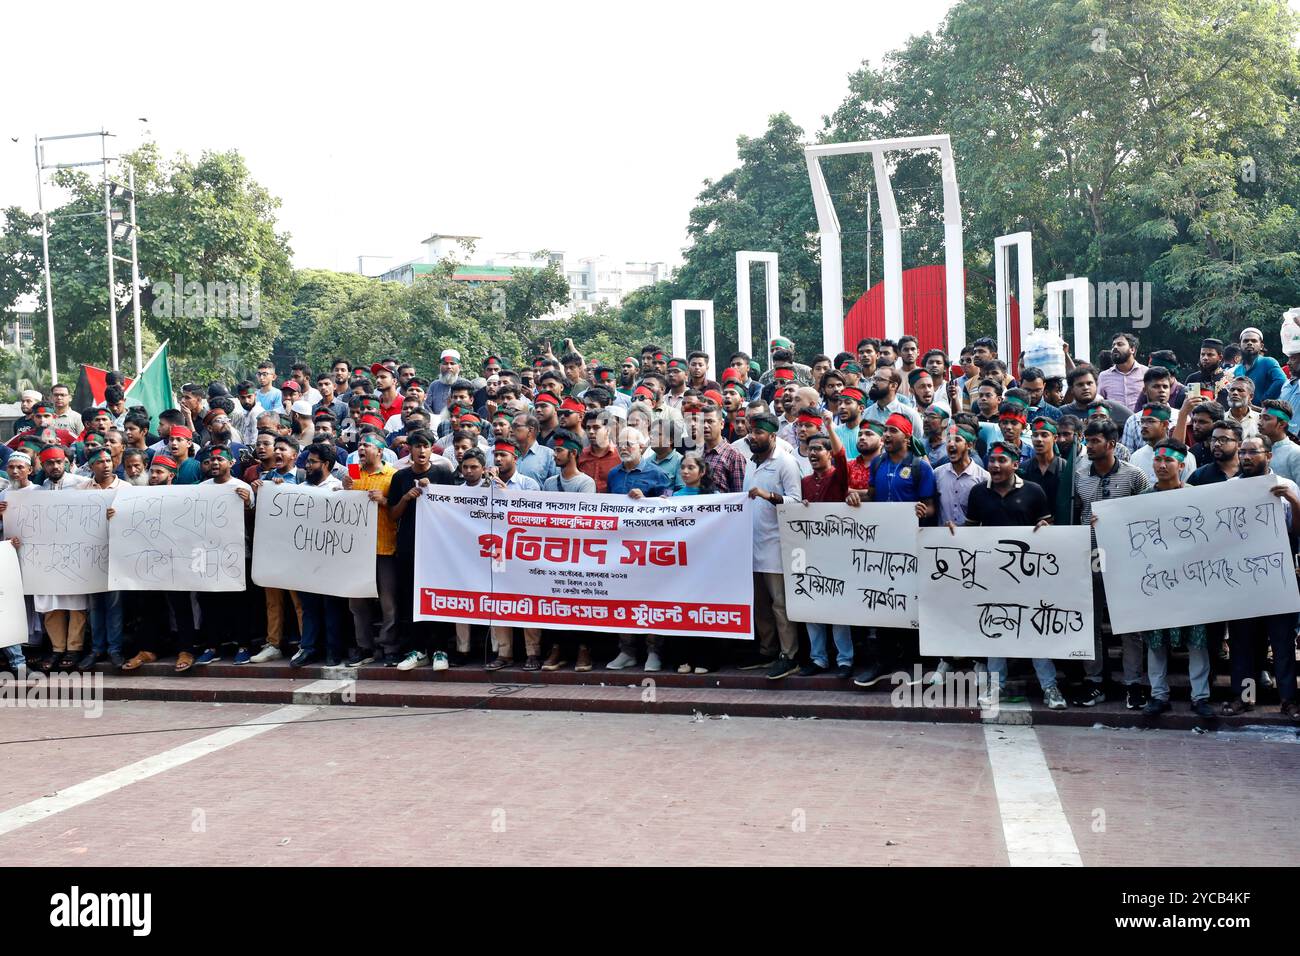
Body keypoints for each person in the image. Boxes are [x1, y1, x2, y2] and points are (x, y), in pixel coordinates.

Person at [958, 440, 1063, 709]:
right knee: (995, 629)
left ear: (1015, 465)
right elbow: (970, 532)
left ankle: (1050, 687)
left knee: (1034, 630)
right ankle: (996, 686)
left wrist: (1045, 527)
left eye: (1002, 460)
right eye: (992, 460)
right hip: (992, 576)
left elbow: (1048, 528)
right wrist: (952, 535)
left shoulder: (1034, 491)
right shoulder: (978, 493)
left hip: (1029, 577)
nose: (994, 465)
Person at [1134, 438, 1217, 721]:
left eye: (1168, 460)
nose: (1161, 465)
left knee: (1198, 642)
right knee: (1156, 642)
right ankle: (1158, 695)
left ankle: (1200, 697)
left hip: (1192, 583)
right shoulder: (1140, 500)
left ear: (1181, 465)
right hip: (1156, 584)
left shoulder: (1198, 498)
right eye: (1157, 460)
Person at [1222, 435, 1300, 719]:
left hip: (1278, 579)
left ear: (1268, 455)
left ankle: (1289, 700)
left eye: (1252, 452)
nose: (1244, 457)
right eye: (1242, 452)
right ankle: (1246, 698)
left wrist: (1292, 500)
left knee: (1282, 643)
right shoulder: (1229, 488)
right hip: (1242, 580)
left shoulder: (1286, 485)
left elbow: (1296, 532)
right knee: (1243, 645)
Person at [1074, 418, 1150, 708]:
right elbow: (1076, 513)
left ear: (1112, 444)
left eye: (1094, 441)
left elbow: (1145, 518)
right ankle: (1095, 682)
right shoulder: (1080, 476)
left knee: (1130, 623)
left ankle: (1133, 683)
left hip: (1125, 559)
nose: (1089, 446)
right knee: (1090, 621)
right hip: (1091, 556)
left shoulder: (1135, 476)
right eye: (1087, 441)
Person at [387, 430, 457, 671]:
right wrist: (407, 498)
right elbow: (392, 515)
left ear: (431, 449)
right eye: (416, 446)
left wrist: (434, 491)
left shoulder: (443, 473)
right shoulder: (400, 477)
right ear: (409, 451)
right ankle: (417, 650)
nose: (421, 450)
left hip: (438, 547)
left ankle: (440, 650)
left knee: (436, 596)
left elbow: (454, 510)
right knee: (410, 599)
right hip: (408, 546)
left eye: (425, 446)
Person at [740, 411, 804, 679]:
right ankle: (767, 650)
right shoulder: (750, 463)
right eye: (750, 432)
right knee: (760, 603)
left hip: (776, 544)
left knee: (780, 604)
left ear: (772, 436)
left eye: (758, 433)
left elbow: (797, 502)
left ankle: (789, 655)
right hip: (752, 544)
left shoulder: (785, 463)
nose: (752, 437)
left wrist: (770, 496)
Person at [795, 410, 854, 678]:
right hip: (809, 551)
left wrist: (830, 428)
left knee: (839, 606)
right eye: (811, 449)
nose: (814, 453)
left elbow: (843, 459)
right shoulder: (805, 482)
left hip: (837, 550)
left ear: (829, 453)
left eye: (820, 449)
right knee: (811, 605)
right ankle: (818, 659)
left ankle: (845, 660)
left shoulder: (839, 477)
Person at [192, 445, 257, 666]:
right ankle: (212, 646)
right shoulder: (201, 488)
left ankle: (244, 645)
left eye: (220, 459)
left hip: (238, 554)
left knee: (239, 602)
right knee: (210, 602)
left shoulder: (242, 487)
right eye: (211, 460)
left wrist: (248, 503)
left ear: (231, 463)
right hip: (208, 555)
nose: (215, 463)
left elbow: (252, 523)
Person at [341, 434, 401, 667]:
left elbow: (400, 509)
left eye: (367, 445)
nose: (361, 448)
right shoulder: (354, 472)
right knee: (357, 603)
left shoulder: (392, 476)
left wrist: (385, 501)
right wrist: (344, 488)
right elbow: (344, 504)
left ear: (380, 451)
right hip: (357, 550)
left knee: (388, 602)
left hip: (385, 547)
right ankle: (364, 646)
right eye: (360, 446)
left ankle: (390, 647)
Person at [1128, 404, 1197, 484]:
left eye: (1150, 421)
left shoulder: (1184, 456)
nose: (1144, 426)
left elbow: (1189, 490)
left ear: (1165, 424)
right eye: (1142, 421)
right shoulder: (1136, 456)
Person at [1232, 327, 1286, 402]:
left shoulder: (1268, 362)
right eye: (1245, 341)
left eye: (1254, 341)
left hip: (1266, 411)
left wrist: (1264, 400)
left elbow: (1281, 380)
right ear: (1240, 345)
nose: (1249, 343)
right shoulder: (1238, 370)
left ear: (1261, 346)